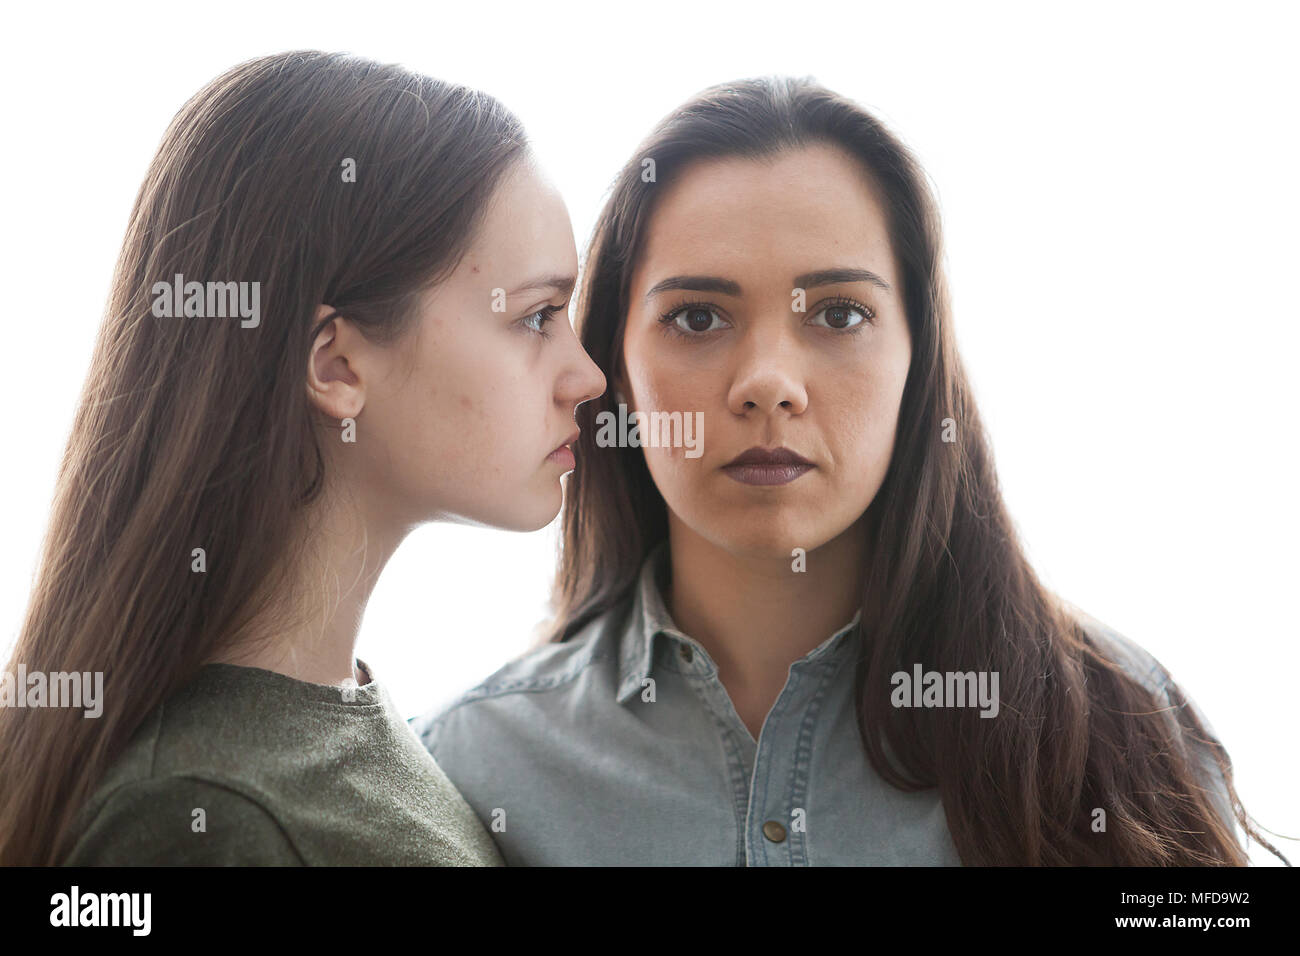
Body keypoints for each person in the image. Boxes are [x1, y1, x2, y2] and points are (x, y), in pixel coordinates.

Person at [416, 76, 1287, 866]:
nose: (768, 384)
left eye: (838, 312)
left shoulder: (1119, 726)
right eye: (695, 318)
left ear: (919, 358)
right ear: (615, 362)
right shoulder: (469, 769)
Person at [0, 50, 604, 865]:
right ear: (336, 366)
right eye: (537, 316)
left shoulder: (333, 720)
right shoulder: (196, 816)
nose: (587, 376)